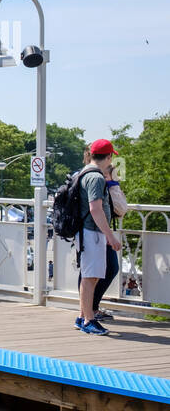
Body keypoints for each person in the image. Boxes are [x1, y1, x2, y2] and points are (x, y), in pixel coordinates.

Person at [76, 139, 122, 335]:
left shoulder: (85, 172)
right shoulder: (95, 177)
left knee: (90, 277)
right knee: (90, 278)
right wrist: (110, 236)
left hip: (88, 232)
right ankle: (88, 320)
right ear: (109, 156)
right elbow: (96, 209)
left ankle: (82, 316)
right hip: (92, 232)